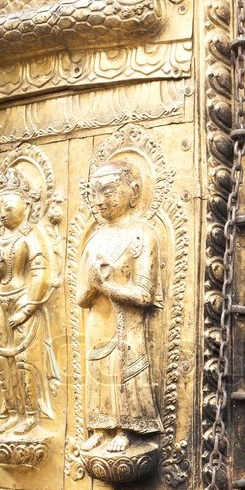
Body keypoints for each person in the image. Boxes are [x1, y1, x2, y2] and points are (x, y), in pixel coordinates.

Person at [77, 159, 163, 454]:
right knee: (98, 373)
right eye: (95, 193)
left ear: (134, 192)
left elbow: (144, 294)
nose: (100, 201)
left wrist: (106, 286)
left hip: (128, 327)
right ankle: (100, 428)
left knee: (122, 372)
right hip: (98, 324)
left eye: (109, 192)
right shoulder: (95, 239)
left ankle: (126, 428)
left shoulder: (142, 235)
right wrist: (92, 286)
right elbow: (81, 297)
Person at [0, 167, 59, 437]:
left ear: (27, 206)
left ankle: (30, 414)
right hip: (1, 303)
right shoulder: (0, 238)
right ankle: (13, 411)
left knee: (23, 360)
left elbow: (40, 274)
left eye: (8, 206)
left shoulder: (31, 236)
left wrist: (28, 307)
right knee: (1, 360)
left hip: (23, 302)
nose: (2, 212)